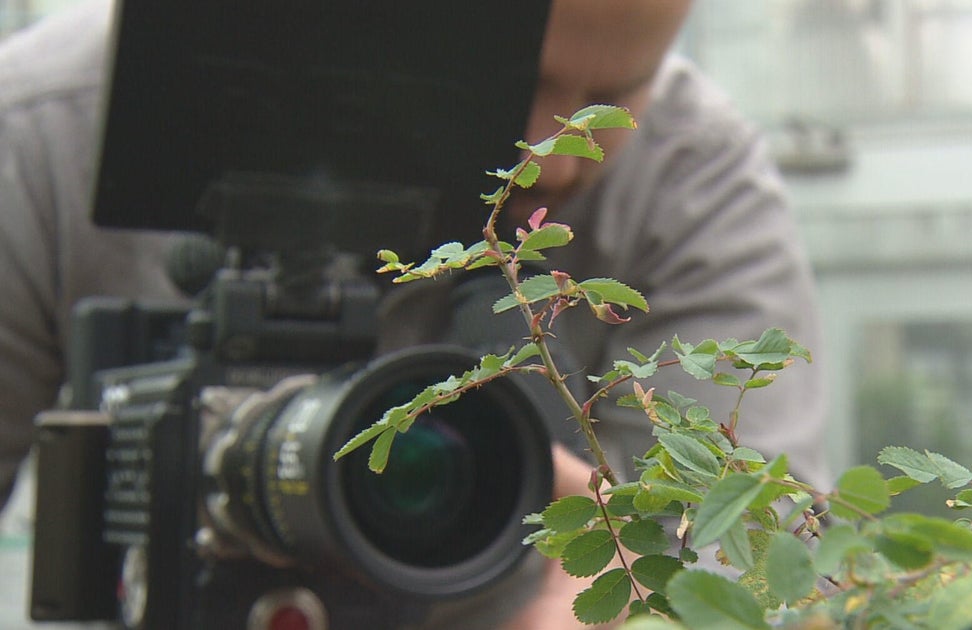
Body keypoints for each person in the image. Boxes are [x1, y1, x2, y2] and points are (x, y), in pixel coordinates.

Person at [0, 0, 828, 627]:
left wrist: (641, 596)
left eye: (612, 97)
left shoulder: (692, 182)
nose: (554, 157)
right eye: (523, 84)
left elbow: (755, 549)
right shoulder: (46, 133)